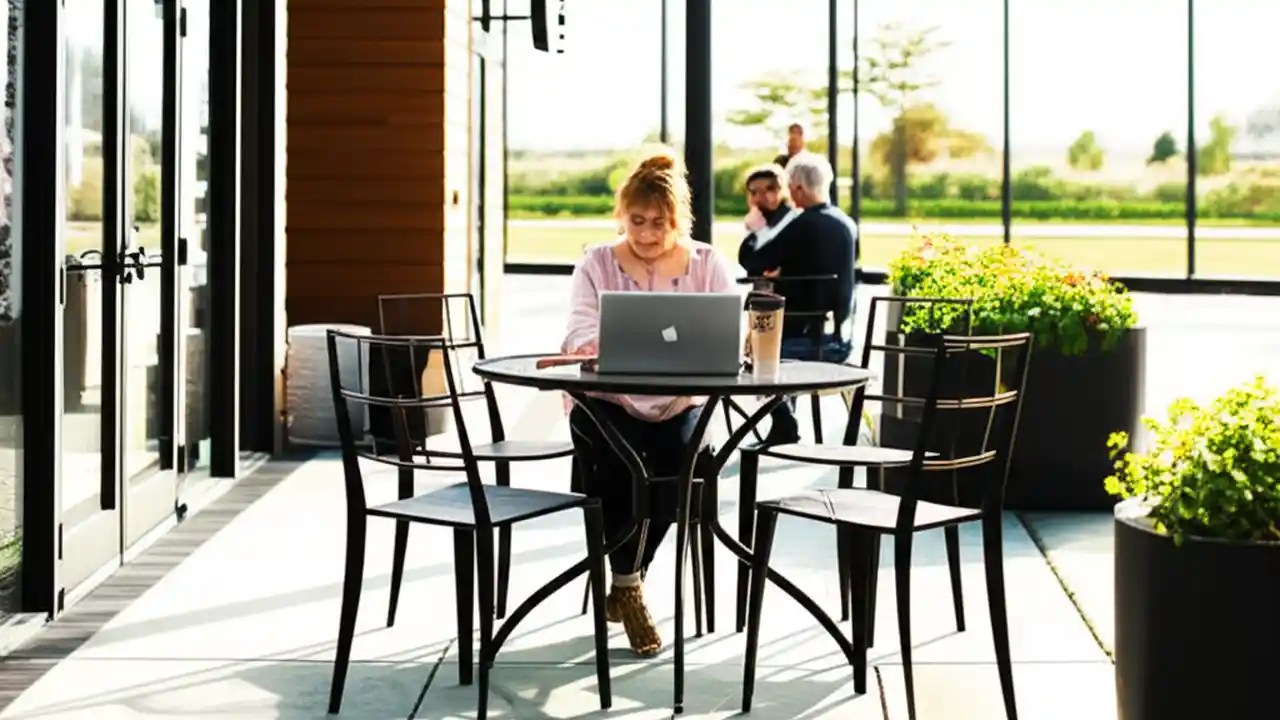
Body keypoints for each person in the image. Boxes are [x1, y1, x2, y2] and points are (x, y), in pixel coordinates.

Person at [560, 148, 740, 658]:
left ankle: (624, 580)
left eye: (658, 223)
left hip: (682, 402)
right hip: (608, 400)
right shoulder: (597, 262)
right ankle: (630, 584)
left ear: (676, 220)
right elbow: (578, 323)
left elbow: (731, 326)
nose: (645, 233)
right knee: (623, 464)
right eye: (637, 220)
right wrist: (588, 343)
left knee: (677, 467)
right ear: (622, 215)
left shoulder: (707, 263)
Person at [742, 151, 858, 444]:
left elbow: (754, 260)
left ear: (798, 188)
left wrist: (756, 232)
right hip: (838, 334)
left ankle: (785, 425)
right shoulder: (845, 222)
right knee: (774, 340)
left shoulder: (803, 224)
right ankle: (785, 424)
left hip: (811, 340)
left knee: (759, 355)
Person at [738, 164, 801, 270]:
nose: (759, 197)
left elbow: (768, 261)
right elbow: (746, 261)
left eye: (769, 190)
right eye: (753, 192)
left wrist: (761, 231)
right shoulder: (757, 220)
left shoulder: (795, 221)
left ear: (783, 191)